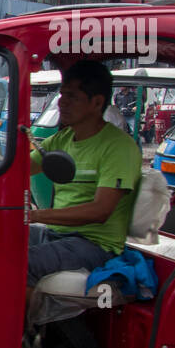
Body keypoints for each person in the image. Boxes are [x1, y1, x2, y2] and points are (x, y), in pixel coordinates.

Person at [28, 60, 142, 286]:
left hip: (94, 243)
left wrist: (34, 215)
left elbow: (100, 211)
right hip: (55, 233)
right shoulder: (62, 139)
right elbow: (21, 169)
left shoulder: (118, 147)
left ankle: (27, 322)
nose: (62, 103)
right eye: (62, 95)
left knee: (20, 262)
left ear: (97, 102)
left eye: (72, 97)